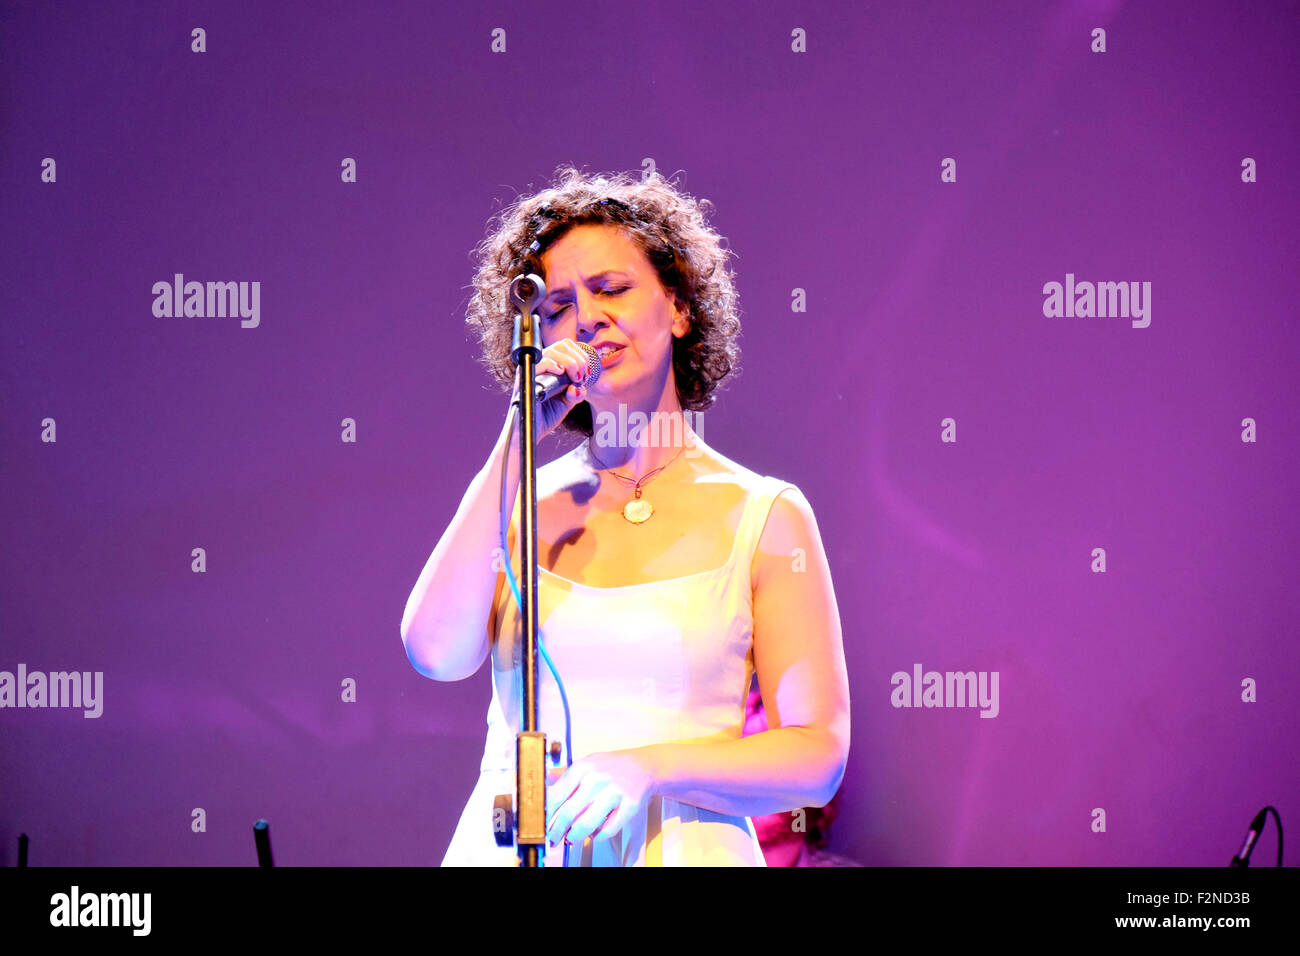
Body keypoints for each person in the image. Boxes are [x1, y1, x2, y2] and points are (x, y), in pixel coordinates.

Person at [400, 165, 850, 866]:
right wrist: (518, 436)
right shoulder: (518, 502)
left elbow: (816, 755)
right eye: (556, 307)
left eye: (612, 289)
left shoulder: (765, 515)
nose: (587, 316)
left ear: (677, 307)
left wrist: (647, 768)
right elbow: (435, 652)